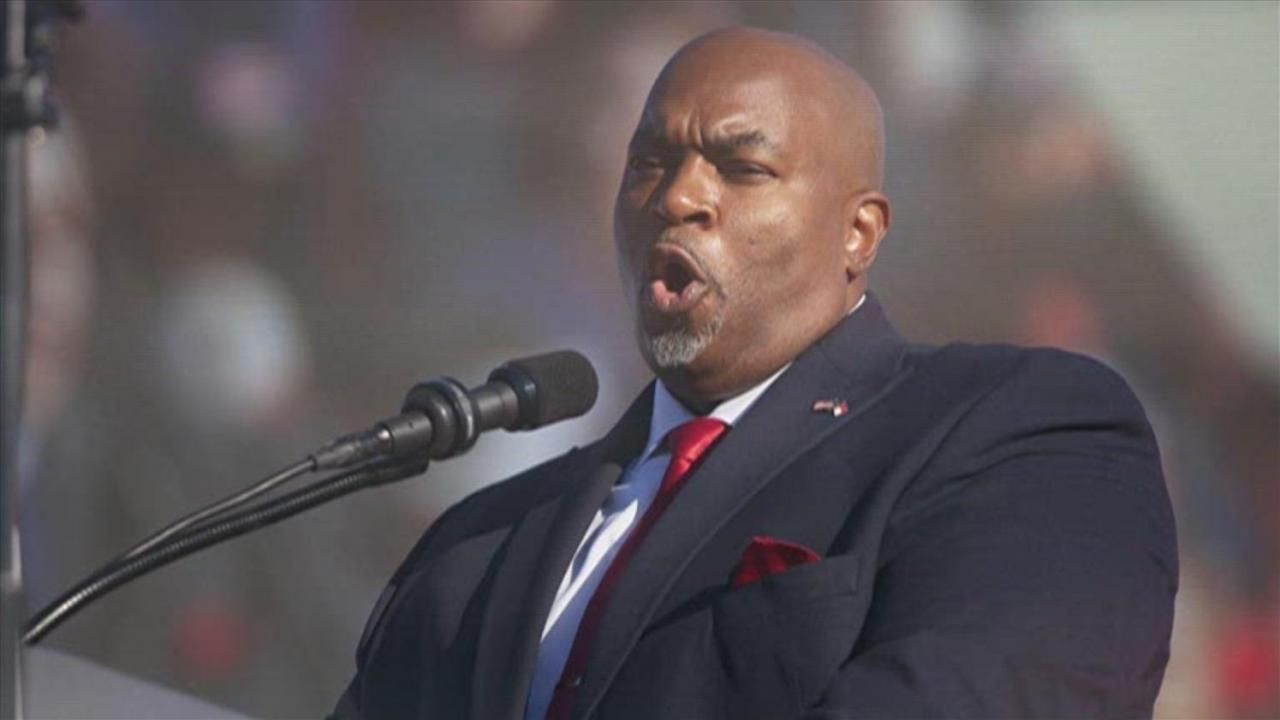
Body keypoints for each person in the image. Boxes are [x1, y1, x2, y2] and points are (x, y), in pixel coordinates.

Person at [335, 27, 1176, 720]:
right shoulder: (479, 547)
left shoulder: (1015, 432)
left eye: (742, 168)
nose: (678, 198)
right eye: (649, 162)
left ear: (859, 233)